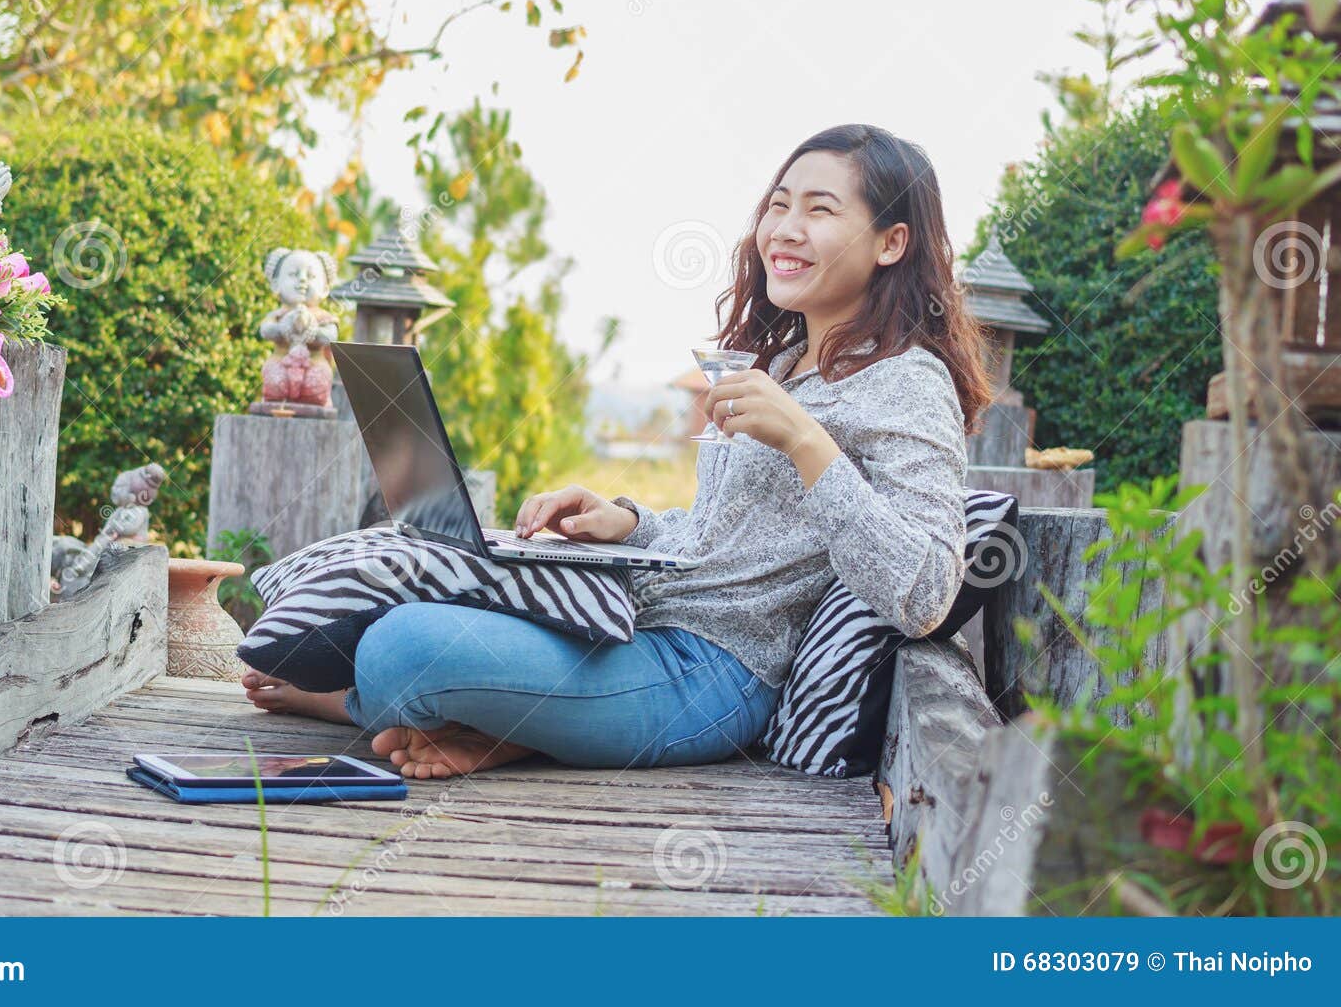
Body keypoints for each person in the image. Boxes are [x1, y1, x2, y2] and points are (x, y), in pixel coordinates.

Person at [243, 124, 992, 779]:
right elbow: (724, 535)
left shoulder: (908, 383)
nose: (784, 228)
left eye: (820, 209)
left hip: (714, 675)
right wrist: (627, 522)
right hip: (630, 618)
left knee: (400, 649)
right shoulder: (782, 359)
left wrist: (806, 441)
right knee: (410, 568)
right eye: (780, 203)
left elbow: (925, 592)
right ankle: (514, 730)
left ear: (892, 242)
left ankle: (359, 703)